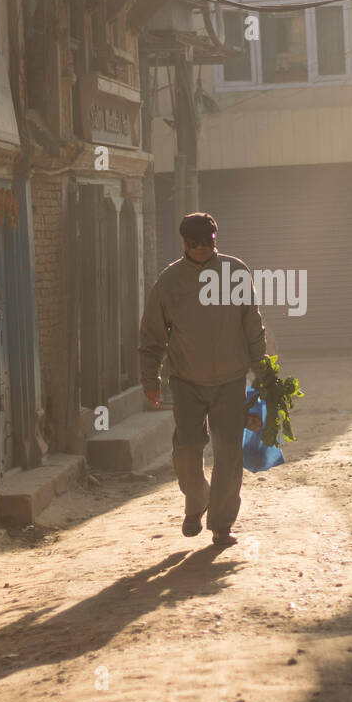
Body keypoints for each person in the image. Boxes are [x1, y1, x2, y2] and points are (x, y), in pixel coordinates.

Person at [140, 212, 266, 547]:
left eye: (206, 242)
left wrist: (263, 371)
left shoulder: (235, 272)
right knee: (187, 452)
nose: (200, 249)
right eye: (193, 243)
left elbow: (252, 325)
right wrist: (150, 377)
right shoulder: (169, 282)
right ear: (183, 242)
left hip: (230, 379)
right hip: (186, 381)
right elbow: (152, 334)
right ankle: (197, 500)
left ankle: (222, 524)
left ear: (215, 239)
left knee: (228, 453)